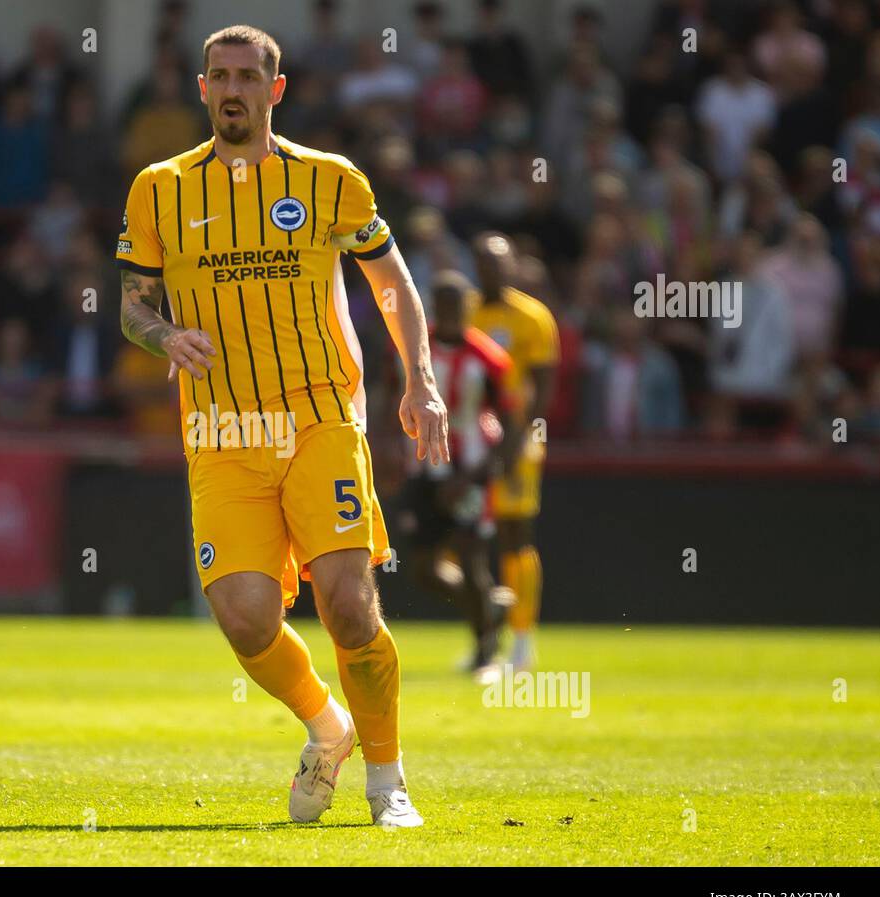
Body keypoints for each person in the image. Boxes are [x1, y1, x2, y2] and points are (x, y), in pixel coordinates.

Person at [116, 26, 448, 828]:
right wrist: (164, 335)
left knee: (349, 605)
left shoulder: (331, 181)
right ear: (202, 89)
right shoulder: (157, 188)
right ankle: (328, 727)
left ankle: (386, 782)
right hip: (222, 430)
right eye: (218, 76)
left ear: (276, 89)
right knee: (245, 618)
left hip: (319, 416)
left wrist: (422, 380)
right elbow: (131, 305)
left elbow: (391, 283)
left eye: (247, 76)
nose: (232, 88)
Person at [402, 271, 514, 677]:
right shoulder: (414, 348)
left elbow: (511, 421)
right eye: (443, 305)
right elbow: (386, 393)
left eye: (457, 306)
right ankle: (490, 608)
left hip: (469, 470)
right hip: (423, 466)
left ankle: (487, 650)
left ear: (468, 308)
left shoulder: (488, 358)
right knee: (422, 569)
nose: (450, 314)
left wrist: (478, 475)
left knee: (472, 559)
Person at [468, 233, 559, 674]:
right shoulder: (464, 311)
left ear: (513, 266)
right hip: (469, 440)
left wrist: (520, 438)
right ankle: (486, 638)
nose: (492, 272)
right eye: (484, 264)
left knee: (514, 536)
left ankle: (522, 638)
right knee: (466, 542)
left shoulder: (532, 317)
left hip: (516, 440)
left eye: (500, 263)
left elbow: (542, 389)